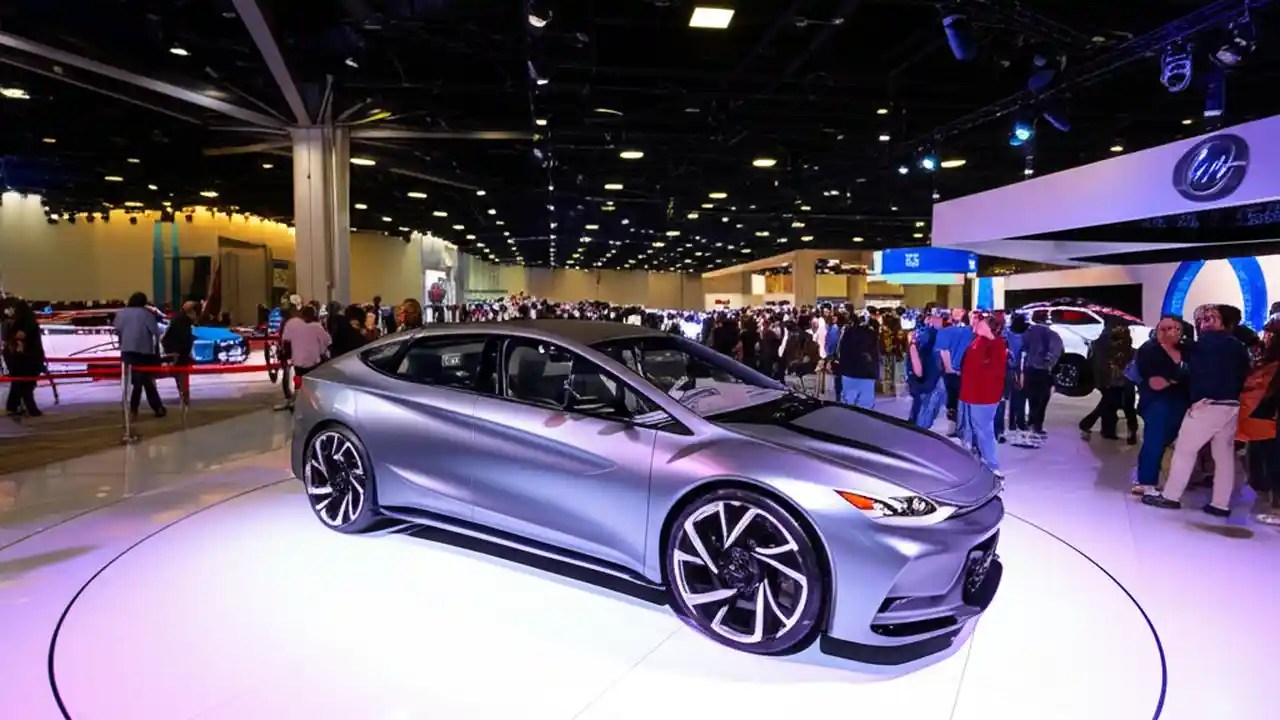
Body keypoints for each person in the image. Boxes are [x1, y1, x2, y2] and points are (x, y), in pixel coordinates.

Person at [1144, 304, 1251, 515]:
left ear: (1225, 322)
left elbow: (1177, 350)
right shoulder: (1238, 347)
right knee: (1224, 457)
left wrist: (1166, 338)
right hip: (1231, 406)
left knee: (1184, 451)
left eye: (1212, 318)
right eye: (1204, 317)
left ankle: (1171, 496)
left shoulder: (1204, 344)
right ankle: (1220, 504)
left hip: (1207, 406)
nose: (1205, 321)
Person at [1131, 315, 1190, 496]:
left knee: (1167, 441)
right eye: (1163, 329)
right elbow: (1156, 382)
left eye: (1173, 328)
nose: (1168, 333)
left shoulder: (1188, 351)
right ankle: (1146, 481)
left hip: (1182, 402)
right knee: (1154, 439)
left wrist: (1174, 379)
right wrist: (1179, 377)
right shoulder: (1149, 350)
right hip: (1156, 402)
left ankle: (1163, 477)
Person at [1239, 317, 1280, 524]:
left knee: (1273, 462)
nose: (1266, 337)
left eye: (1271, 333)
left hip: (1269, 419)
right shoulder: (1267, 360)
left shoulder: (1272, 363)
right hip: (1265, 419)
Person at [958, 314, 1009, 477]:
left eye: (979, 323)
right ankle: (979, 461)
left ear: (988, 327)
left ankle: (992, 465)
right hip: (971, 393)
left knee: (983, 429)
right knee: (975, 428)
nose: (975, 324)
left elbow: (994, 373)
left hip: (984, 395)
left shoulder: (997, 345)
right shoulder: (978, 341)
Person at [1079, 325, 1139, 443]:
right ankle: (1128, 433)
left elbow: (1097, 363)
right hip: (1121, 382)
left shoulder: (1103, 345)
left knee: (1108, 406)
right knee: (1125, 408)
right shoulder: (1126, 349)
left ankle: (1096, 427)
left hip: (1111, 382)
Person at [113, 292, 166, 419]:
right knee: (144, 380)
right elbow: (156, 332)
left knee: (138, 380)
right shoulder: (147, 314)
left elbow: (117, 329)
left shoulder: (121, 314)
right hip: (144, 352)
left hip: (127, 351)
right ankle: (154, 407)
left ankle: (137, 409)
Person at [1018, 317, 1064, 442]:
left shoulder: (1028, 333)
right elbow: (1056, 352)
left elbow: (1022, 348)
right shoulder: (1052, 335)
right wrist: (1049, 364)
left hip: (1030, 368)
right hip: (1043, 371)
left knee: (1032, 397)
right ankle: (1037, 425)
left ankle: (1031, 421)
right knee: (1042, 399)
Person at [2, 299, 46, 417]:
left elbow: (7, 338)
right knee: (26, 383)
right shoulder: (27, 320)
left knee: (19, 382)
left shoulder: (13, 320)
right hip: (26, 358)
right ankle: (30, 408)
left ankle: (13, 406)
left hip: (17, 357)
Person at [936, 310, 974, 436]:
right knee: (964, 400)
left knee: (952, 400)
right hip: (966, 371)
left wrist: (949, 368)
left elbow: (944, 351)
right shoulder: (971, 332)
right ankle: (964, 427)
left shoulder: (944, 332)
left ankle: (954, 427)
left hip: (952, 372)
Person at [908, 309, 944, 428]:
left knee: (920, 412)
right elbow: (918, 367)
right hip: (927, 382)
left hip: (925, 382)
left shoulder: (923, 334)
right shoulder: (927, 335)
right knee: (922, 419)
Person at [837, 314, 880, 409]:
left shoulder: (848, 333)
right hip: (867, 375)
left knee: (848, 405)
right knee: (866, 407)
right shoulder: (872, 334)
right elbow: (875, 356)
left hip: (848, 373)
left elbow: (841, 352)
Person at [161, 301, 198, 405]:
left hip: (176, 351)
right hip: (179, 352)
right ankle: (185, 397)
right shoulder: (183, 322)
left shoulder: (179, 320)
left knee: (180, 375)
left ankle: (184, 396)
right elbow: (183, 339)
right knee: (182, 375)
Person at [1005, 313, 1029, 441]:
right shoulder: (1025, 336)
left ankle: (1012, 423)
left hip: (1009, 368)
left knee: (1011, 396)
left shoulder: (1007, 334)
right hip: (1020, 369)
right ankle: (1019, 422)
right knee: (1020, 396)